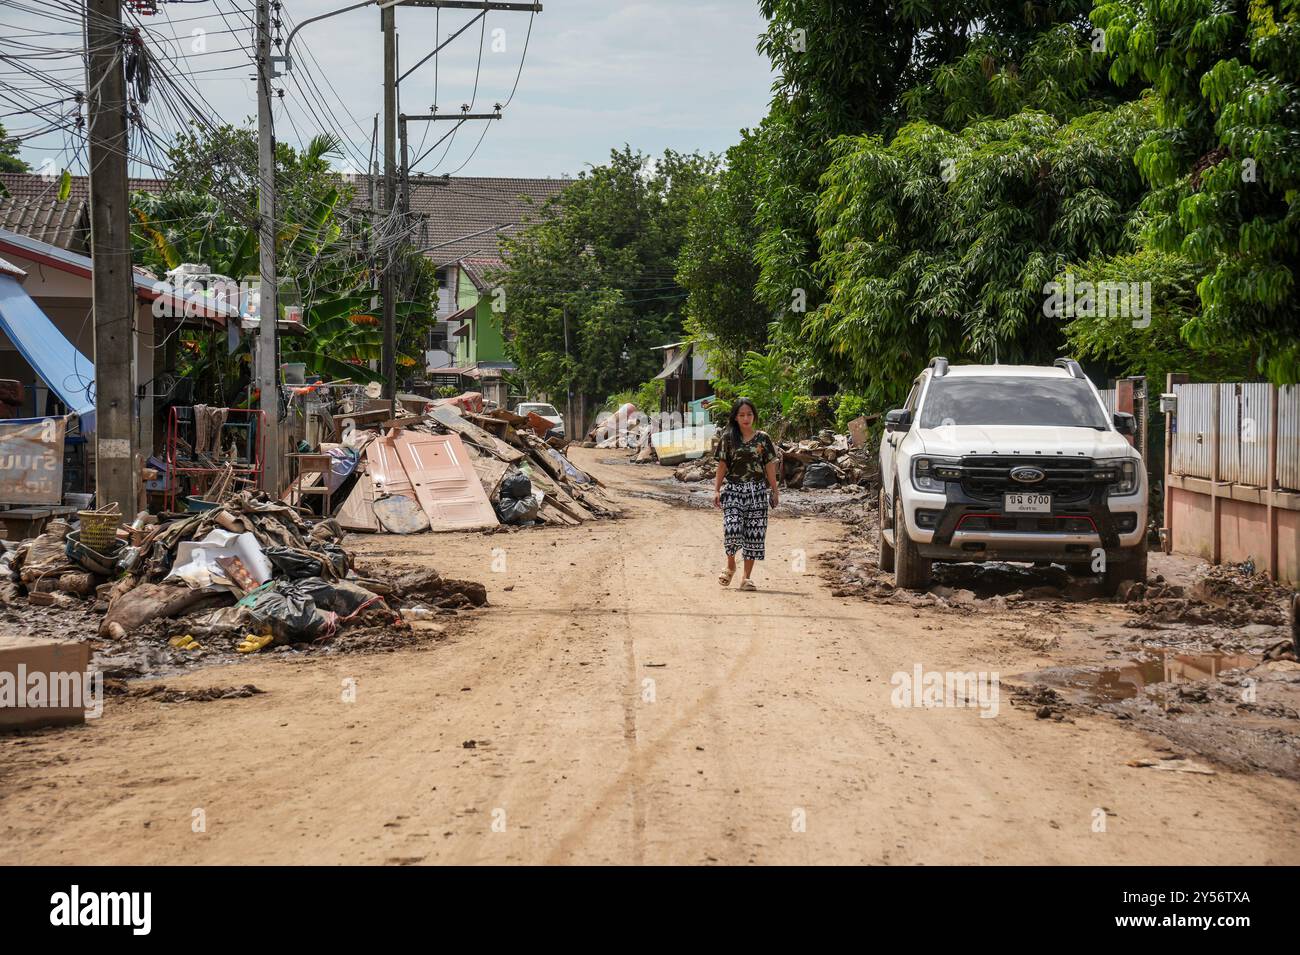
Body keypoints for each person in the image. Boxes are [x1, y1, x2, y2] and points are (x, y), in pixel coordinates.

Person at [713, 397, 778, 590]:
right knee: (731, 529)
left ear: (754, 416)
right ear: (735, 417)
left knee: (754, 535)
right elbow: (722, 465)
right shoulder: (728, 438)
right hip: (733, 490)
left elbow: (769, 465)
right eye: (741, 415)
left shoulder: (763, 439)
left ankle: (746, 578)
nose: (746, 418)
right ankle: (731, 564)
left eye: (749, 414)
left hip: (757, 492)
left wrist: (774, 490)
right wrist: (716, 489)